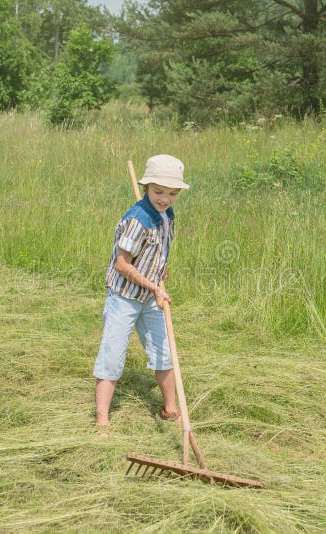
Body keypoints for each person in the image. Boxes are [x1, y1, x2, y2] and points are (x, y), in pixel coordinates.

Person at [93, 154, 190, 428]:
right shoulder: (138, 219)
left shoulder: (167, 215)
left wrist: (162, 268)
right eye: (158, 191)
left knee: (164, 351)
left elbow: (159, 250)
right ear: (146, 186)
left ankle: (170, 409)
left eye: (172, 193)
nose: (164, 199)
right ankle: (102, 420)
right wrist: (153, 286)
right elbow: (122, 264)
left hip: (151, 296)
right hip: (124, 297)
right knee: (112, 354)